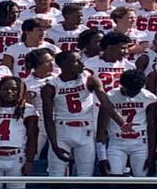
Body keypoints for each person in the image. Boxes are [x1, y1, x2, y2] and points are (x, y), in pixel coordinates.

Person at [41, 50, 119, 178]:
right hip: (62, 131)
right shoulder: (51, 86)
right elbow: (48, 119)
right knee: (56, 175)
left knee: (85, 175)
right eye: (76, 61)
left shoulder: (89, 79)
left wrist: (122, 123)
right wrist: (54, 145)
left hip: (85, 130)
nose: (82, 64)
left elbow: (106, 103)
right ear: (64, 65)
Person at [0, 76, 38, 187]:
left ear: (20, 91)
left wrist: (29, 161)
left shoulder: (27, 109)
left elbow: (32, 137)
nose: (9, 92)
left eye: (14, 89)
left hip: (17, 156)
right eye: (5, 89)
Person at [101, 69, 157, 179]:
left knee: (142, 179)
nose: (133, 93)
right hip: (117, 142)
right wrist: (102, 157)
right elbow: (101, 128)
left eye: (136, 90)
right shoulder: (111, 96)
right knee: (114, 178)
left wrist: (151, 155)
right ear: (122, 85)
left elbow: (152, 127)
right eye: (130, 90)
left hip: (140, 143)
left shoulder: (149, 98)